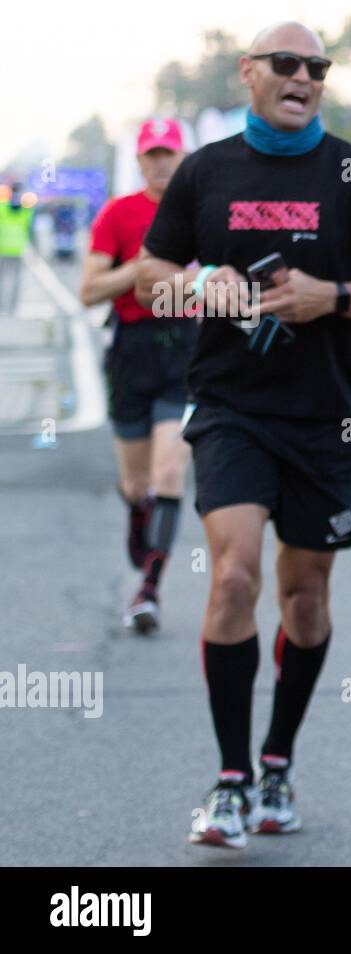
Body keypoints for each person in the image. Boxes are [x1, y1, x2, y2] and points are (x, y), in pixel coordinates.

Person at [135, 21, 351, 849]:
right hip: (231, 408)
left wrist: (333, 298)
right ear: (249, 74)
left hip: (324, 420)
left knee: (304, 602)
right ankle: (230, 780)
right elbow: (149, 278)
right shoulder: (206, 172)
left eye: (317, 66)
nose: (303, 75)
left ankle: (278, 763)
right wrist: (201, 284)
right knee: (234, 578)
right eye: (286, 63)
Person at [79, 119, 192, 632]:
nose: (161, 162)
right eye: (152, 155)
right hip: (132, 350)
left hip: (187, 349)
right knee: (135, 481)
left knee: (170, 471)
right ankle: (137, 512)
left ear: (183, 155)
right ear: (141, 160)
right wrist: (141, 269)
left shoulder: (201, 212)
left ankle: (148, 589)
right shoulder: (118, 213)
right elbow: (89, 290)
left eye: (169, 153)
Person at [0, 182, 34, 314]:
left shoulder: (2, 208)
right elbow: (30, 230)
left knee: (2, 279)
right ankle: (12, 307)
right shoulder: (26, 211)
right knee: (16, 280)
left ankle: (2, 306)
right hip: (18, 249)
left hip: (2, 249)